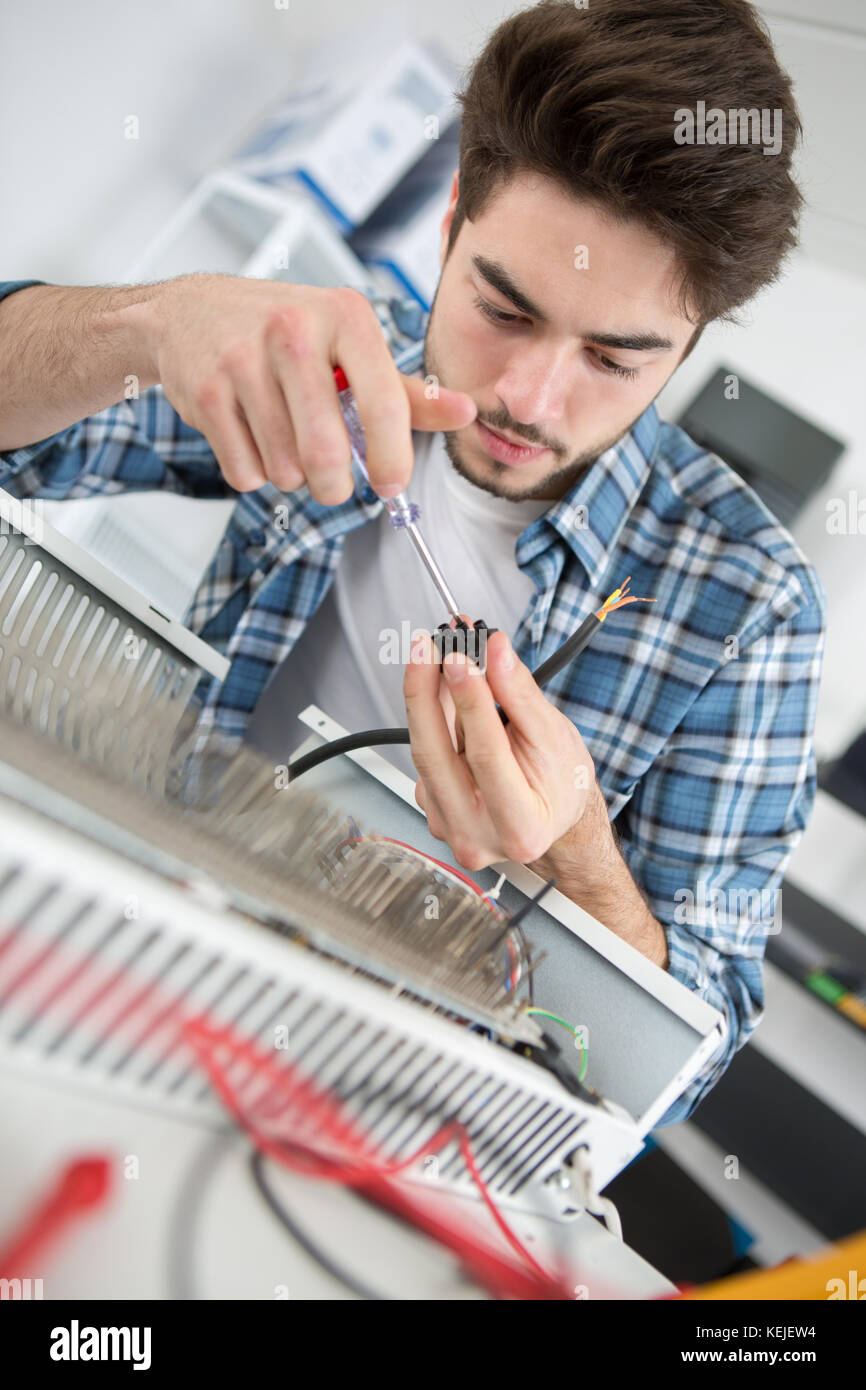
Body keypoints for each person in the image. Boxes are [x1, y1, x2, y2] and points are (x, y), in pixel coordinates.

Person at [0, 0, 825, 1124]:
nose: (529, 399)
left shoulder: (747, 603)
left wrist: (575, 856)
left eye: (612, 357)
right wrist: (148, 322)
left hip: (381, 1106)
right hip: (133, 931)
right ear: (447, 231)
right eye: (502, 307)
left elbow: (684, 1056)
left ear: (687, 346)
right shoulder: (332, 364)